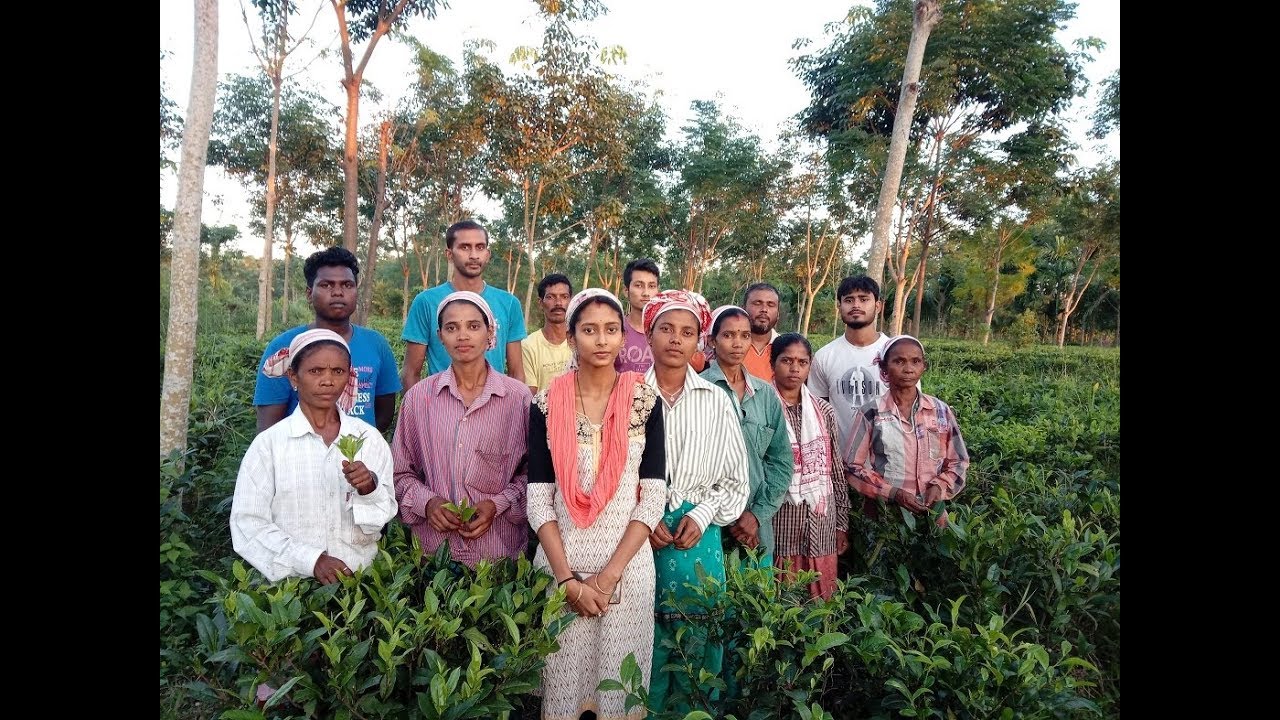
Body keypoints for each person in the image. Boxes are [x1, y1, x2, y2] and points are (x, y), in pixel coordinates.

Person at [526, 288, 667, 720]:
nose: (601, 340)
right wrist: (567, 580)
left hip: (628, 571)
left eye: (611, 330)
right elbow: (538, 500)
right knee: (562, 696)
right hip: (560, 572)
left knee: (620, 697)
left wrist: (607, 578)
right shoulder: (546, 405)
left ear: (624, 338)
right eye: (589, 330)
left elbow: (652, 498)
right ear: (571, 338)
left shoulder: (645, 402)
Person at [642, 290, 750, 715]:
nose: (675, 339)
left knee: (697, 640)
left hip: (696, 540)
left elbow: (736, 482)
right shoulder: (628, 396)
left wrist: (702, 514)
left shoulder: (716, 400)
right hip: (639, 537)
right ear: (649, 335)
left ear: (698, 342)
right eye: (666, 329)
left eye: (687, 332)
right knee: (642, 640)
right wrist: (642, 516)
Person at [231, 329, 398, 583]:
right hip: (290, 592)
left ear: (348, 377)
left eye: (338, 372)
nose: (328, 381)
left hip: (360, 586)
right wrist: (312, 560)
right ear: (293, 378)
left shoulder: (369, 440)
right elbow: (248, 525)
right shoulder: (269, 445)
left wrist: (370, 488)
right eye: (315, 371)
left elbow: (379, 522)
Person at [392, 291, 532, 567]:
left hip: (499, 558)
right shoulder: (419, 398)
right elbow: (399, 474)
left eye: (473, 326)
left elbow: (536, 477)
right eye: (452, 327)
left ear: (490, 332)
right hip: (434, 557)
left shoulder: (518, 398)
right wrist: (428, 503)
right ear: (440, 336)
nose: (463, 335)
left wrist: (498, 504)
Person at [253, 247, 401, 434]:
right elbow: (268, 428)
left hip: (359, 459)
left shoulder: (377, 344)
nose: (338, 292)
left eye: (347, 285)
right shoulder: (284, 347)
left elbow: (384, 413)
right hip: (298, 459)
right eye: (326, 285)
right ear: (309, 293)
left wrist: (354, 444)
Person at [845, 335, 969, 528]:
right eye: (899, 361)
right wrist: (893, 493)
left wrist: (939, 486)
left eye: (916, 361)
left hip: (932, 513)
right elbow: (852, 468)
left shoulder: (940, 410)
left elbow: (958, 460)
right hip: (885, 517)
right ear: (884, 370)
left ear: (923, 366)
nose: (909, 368)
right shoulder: (871, 412)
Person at [700, 305, 791, 568]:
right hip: (709, 520)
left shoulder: (764, 394)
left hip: (756, 525)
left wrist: (756, 515)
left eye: (745, 335)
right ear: (712, 340)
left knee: (756, 599)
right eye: (728, 335)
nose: (737, 343)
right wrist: (724, 514)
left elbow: (781, 461)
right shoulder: (698, 390)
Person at [768, 333, 850, 600]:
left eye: (802, 362)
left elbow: (835, 469)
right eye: (786, 361)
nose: (794, 368)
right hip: (780, 521)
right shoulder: (761, 407)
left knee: (819, 607)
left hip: (820, 521)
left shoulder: (823, 411)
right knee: (780, 601)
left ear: (810, 365)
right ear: (773, 363)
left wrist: (842, 524)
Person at [401, 220, 526, 391]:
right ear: (449, 254)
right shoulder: (426, 302)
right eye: (465, 247)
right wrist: (418, 412)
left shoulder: (509, 303)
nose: (474, 255)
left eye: (480, 247)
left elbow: (516, 371)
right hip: (442, 408)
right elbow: (410, 372)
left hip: (495, 407)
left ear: (488, 254)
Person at [807, 275, 891, 449]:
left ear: (878, 306)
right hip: (840, 465)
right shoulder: (825, 356)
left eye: (864, 299)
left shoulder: (895, 353)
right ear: (839, 307)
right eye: (849, 300)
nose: (856, 305)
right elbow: (819, 414)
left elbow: (910, 409)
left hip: (890, 464)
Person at [521, 273, 574, 393]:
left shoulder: (581, 341)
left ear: (571, 301)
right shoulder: (528, 346)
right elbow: (530, 396)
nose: (558, 303)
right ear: (540, 303)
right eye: (551, 297)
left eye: (564, 297)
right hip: (543, 411)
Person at [614, 258, 661, 374]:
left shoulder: (666, 331)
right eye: (639, 285)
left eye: (651, 286)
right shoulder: (614, 330)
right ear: (626, 291)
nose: (646, 293)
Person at [740, 283, 782, 382]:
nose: (764, 309)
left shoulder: (785, 349)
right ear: (743, 308)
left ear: (778, 313)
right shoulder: (730, 346)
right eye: (757, 303)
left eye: (771, 305)